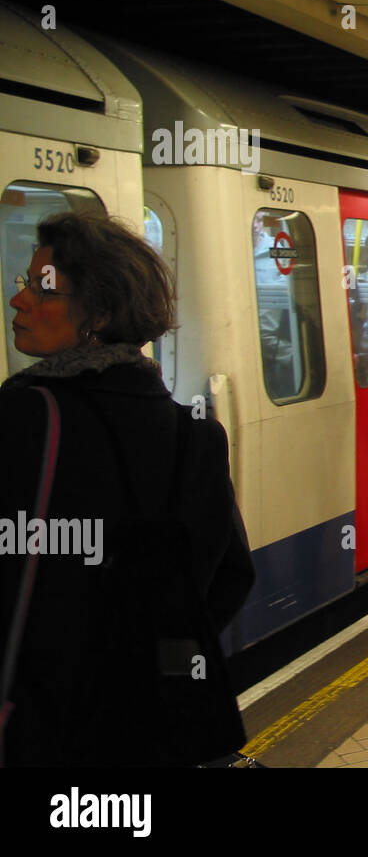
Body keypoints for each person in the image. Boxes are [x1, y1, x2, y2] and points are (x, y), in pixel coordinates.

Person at [0, 211, 254, 767]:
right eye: (24, 283)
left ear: (101, 313)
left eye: (44, 290)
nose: (19, 301)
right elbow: (229, 578)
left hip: (40, 731)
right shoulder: (196, 436)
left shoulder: (24, 418)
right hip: (149, 725)